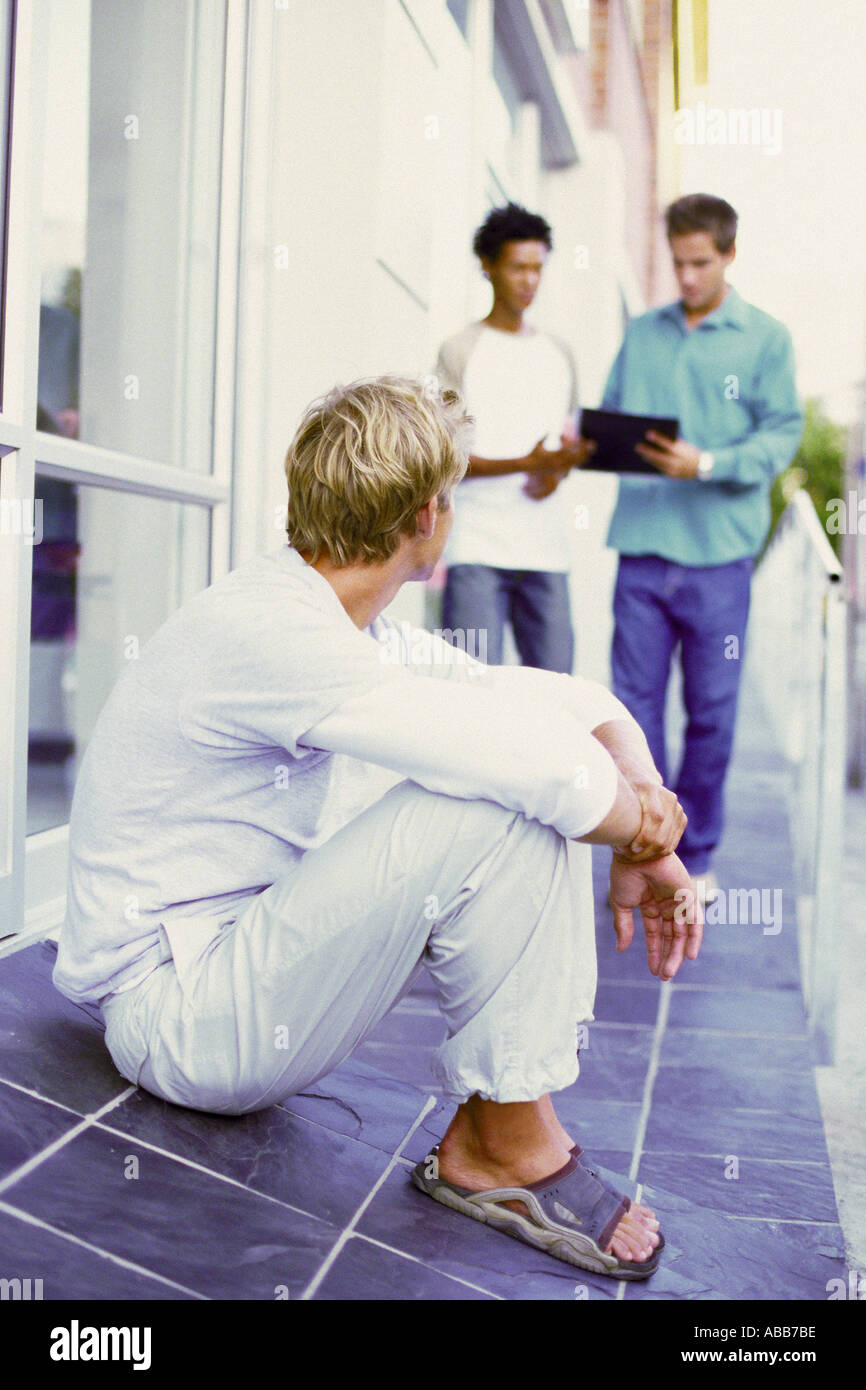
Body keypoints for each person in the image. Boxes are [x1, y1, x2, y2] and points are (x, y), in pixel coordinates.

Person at [53, 377, 701, 1280]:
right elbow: (535, 764)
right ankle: (507, 1147)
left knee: (510, 770)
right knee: (492, 792)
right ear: (431, 516)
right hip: (181, 1019)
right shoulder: (274, 633)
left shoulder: (334, 621)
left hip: (231, 972)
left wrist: (642, 799)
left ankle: (497, 1133)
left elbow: (545, 701)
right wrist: (643, 834)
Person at [601, 194, 804, 899]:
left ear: (729, 255)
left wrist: (708, 463)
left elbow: (781, 437)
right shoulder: (643, 332)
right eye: (677, 262)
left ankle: (701, 852)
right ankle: (639, 842)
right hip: (641, 550)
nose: (686, 277)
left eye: (700, 263)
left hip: (719, 559)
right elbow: (612, 422)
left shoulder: (766, 338)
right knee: (632, 710)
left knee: (713, 713)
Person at [434, 203, 594, 673]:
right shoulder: (460, 350)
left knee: (559, 692)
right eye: (517, 267)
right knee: (471, 691)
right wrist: (528, 464)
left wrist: (557, 471)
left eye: (538, 268)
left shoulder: (558, 352)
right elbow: (444, 457)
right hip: (475, 547)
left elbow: (565, 443)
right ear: (487, 266)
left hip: (547, 550)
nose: (529, 280)